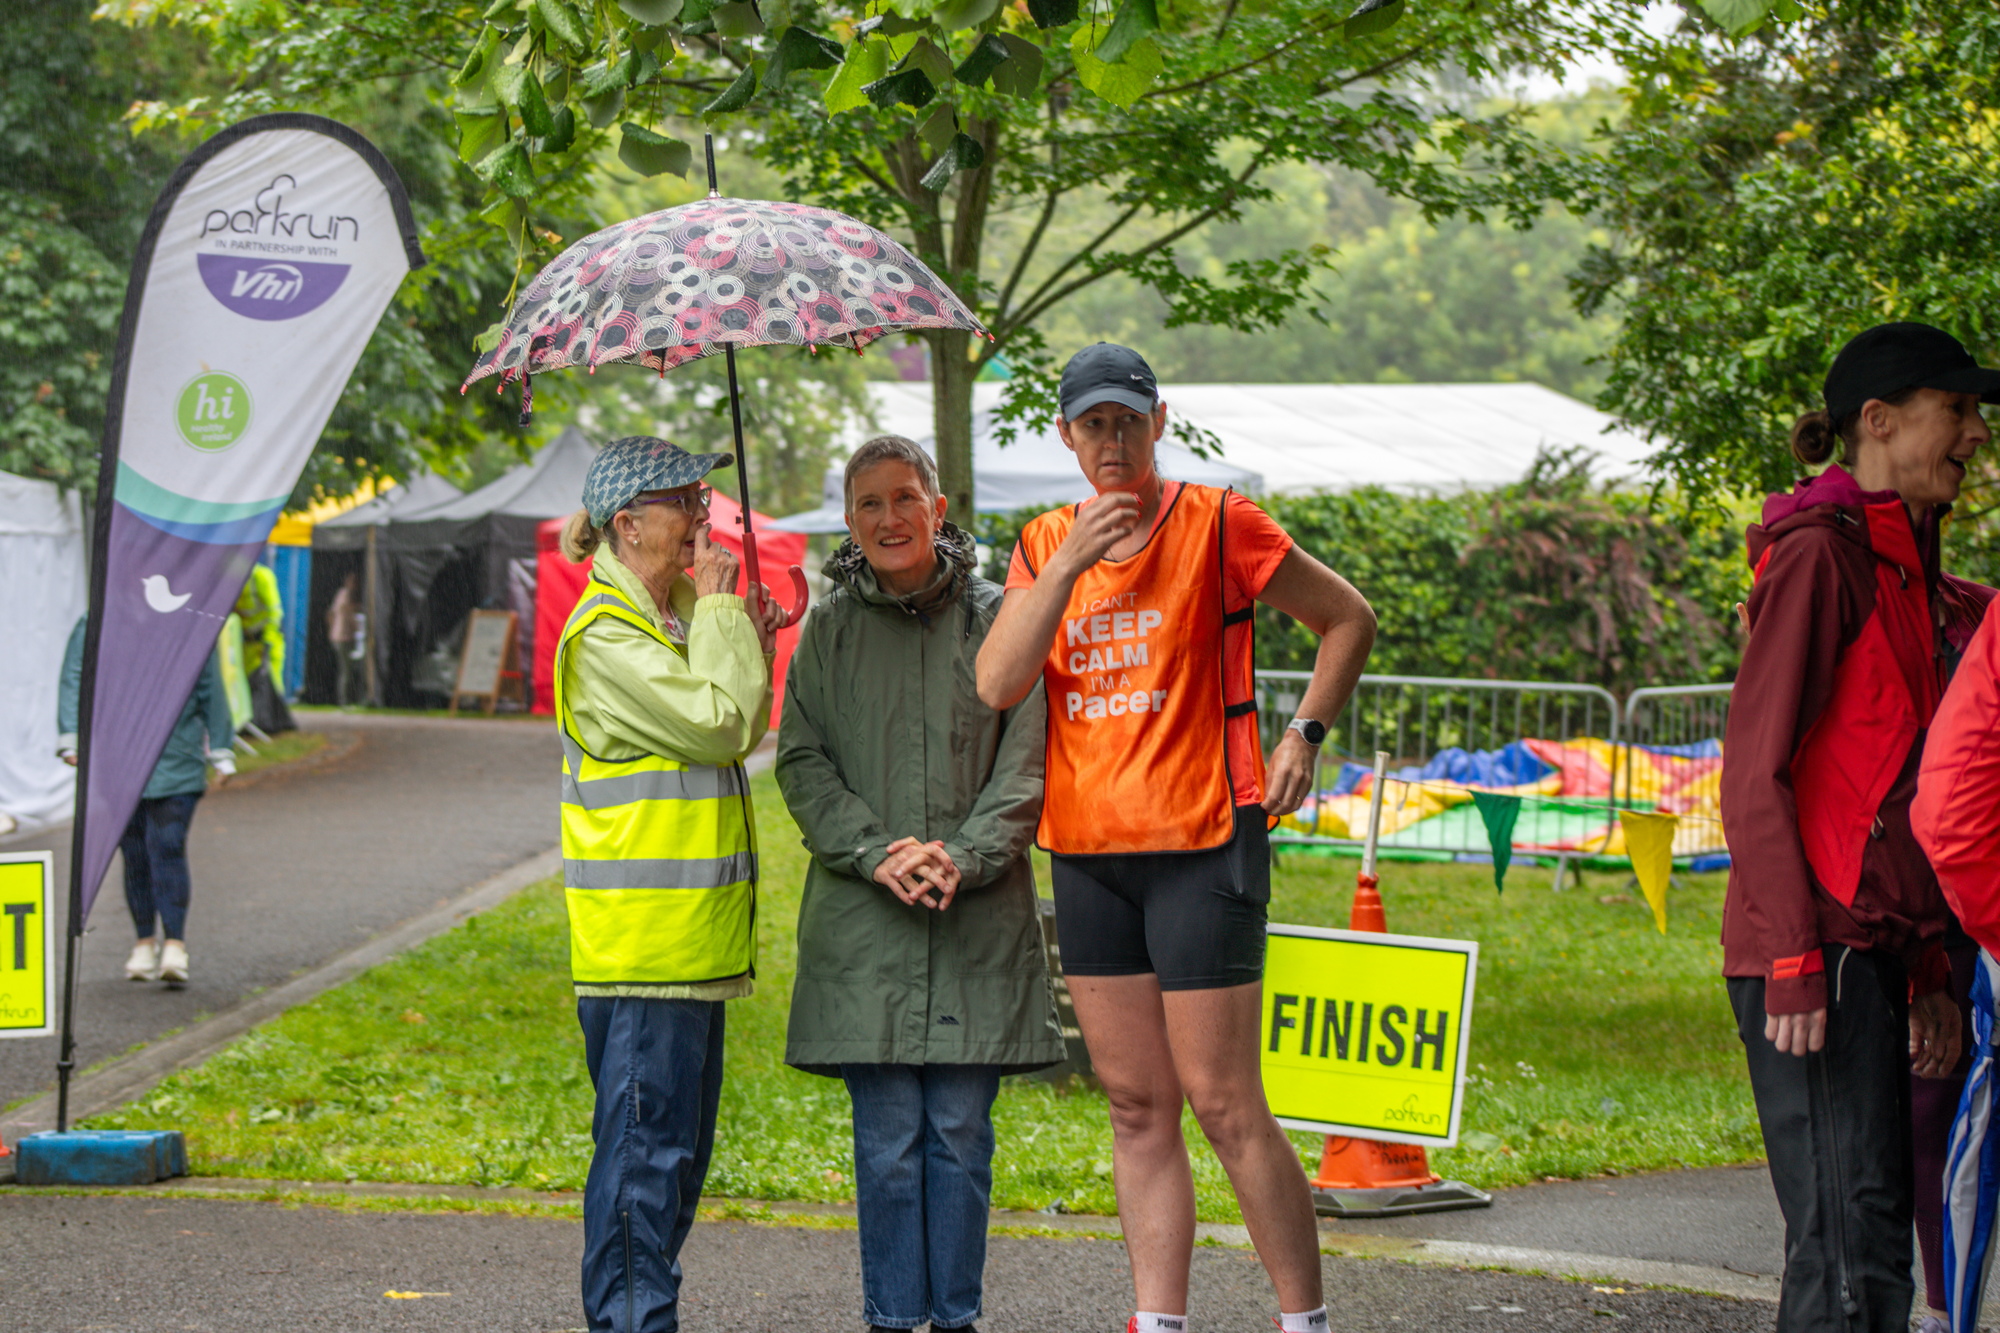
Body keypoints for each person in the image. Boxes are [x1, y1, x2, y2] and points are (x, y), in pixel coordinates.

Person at [974, 344, 1377, 1333]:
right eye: (1090, 425)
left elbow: (1346, 619)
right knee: (1134, 1106)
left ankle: (1304, 1322)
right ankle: (1157, 1323)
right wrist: (1068, 561)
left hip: (1204, 840)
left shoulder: (1217, 522)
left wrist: (1302, 736)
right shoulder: (1042, 543)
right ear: (1066, 437)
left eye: (1125, 421)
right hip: (1089, 856)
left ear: (1157, 425)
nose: (1109, 441)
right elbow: (994, 682)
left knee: (1223, 1101)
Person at [1720, 322, 2000, 1333]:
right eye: (1955, 410)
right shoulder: (1817, 559)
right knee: (1849, 1250)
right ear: (1875, 423)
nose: (1974, 436)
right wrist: (1793, 954)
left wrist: (1927, 968)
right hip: (1813, 950)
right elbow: (1753, 771)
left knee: (1870, 1248)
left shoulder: (1908, 570)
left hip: (1879, 950)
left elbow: (1902, 792)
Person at [777, 435, 1065, 1333]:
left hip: (976, 923)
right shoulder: (827, 628)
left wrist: (963, 856)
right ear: (851, 523)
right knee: (890, 1145)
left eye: (906, 498)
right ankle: (893, 1320)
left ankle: (958, 1318)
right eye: (870, 503)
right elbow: (802, 759)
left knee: (959, 1139)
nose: (890, 517)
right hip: (867, 925)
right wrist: (878, 851)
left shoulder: (1000, 615)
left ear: (938, 509)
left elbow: (1027, 760)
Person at [553, 435, 786, 1333]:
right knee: (643, 1164)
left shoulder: (670, 620)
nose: (703, 516)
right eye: (684, 500)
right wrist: (725, 618)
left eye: (702, 497)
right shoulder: (607, 637)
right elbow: (723, 722)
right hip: (644, 949)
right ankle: (632, 1324)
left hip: (687, 946)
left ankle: (640, 1315)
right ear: (627, 522)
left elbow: (740, 721)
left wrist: (728, 621)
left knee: (672, 1159)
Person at [57, 618, 235, 987]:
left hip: (177, 757)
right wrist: (71, 735)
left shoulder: (191, 620)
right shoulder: (101, 617)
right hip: (117, 761)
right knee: (134, 852)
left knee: (167, 846)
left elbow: (211, 687)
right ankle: (143, 942)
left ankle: (174, 944)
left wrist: (221, 748)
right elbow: (77, 673)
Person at [326, 571, 366, 708]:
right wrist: (356, 628)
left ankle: (345, 700)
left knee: (345, 671)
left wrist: (331, 630)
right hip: (343, 637)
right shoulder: (346, 594)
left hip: (339, 637)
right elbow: (347, 611)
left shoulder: (340, 594)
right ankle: (344, 701)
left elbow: (331, 613)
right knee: (346, 671)